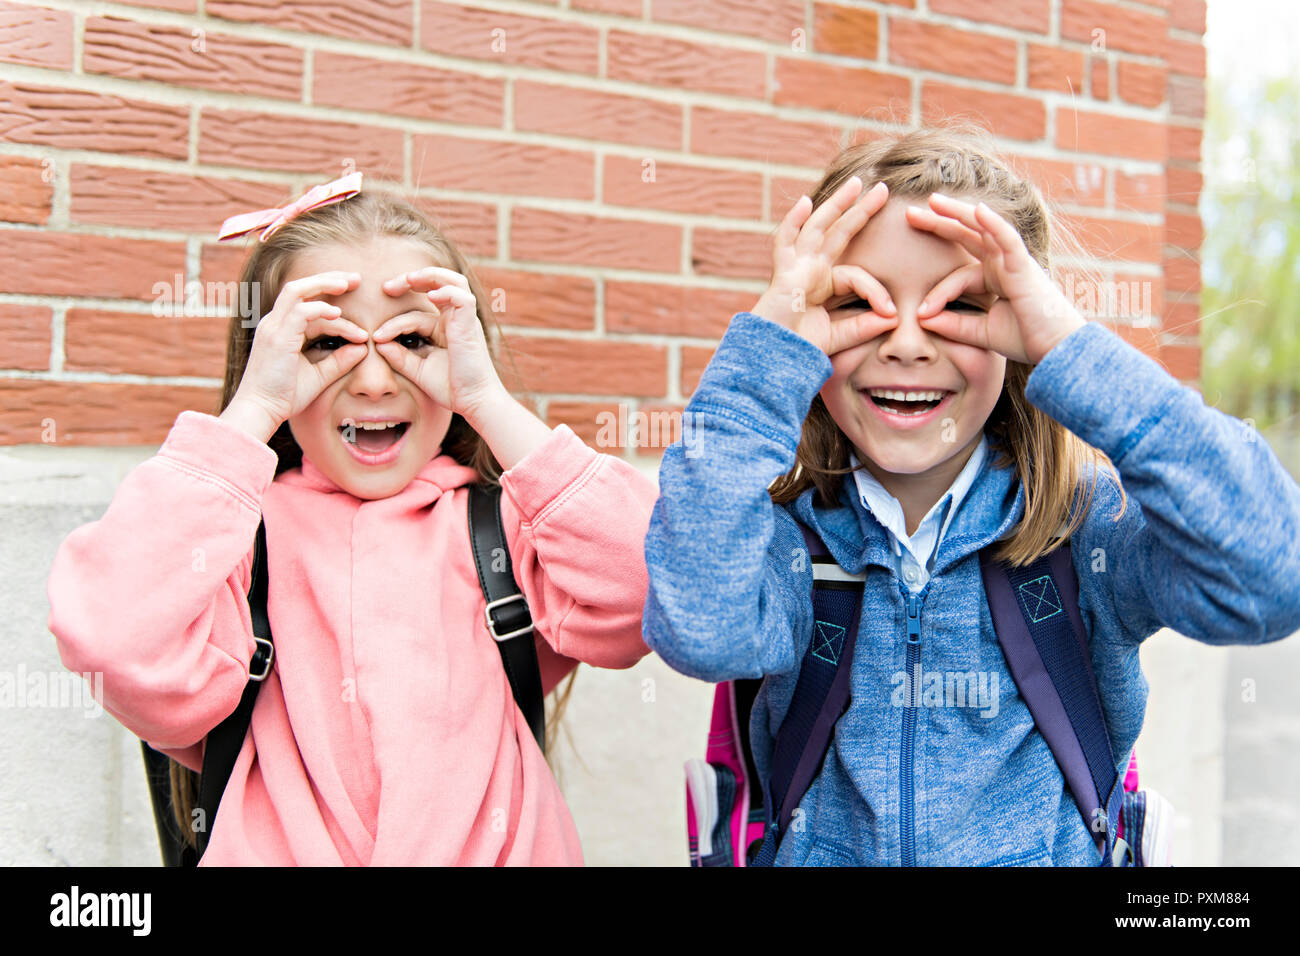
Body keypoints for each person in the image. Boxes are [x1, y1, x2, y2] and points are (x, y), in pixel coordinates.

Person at [642, 127, 1300, 865]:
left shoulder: (1087, 533)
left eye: (959, 305)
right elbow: (700, 629)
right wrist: (765, 354)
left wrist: (1068, 348)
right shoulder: (792, 539)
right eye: (861, 302)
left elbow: (1272, 575)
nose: (907, 343)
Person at [47, 178, 657, 865]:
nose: (373, 380)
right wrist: (251, 413)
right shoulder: (236, 542)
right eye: (324, 342)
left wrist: (488, 403)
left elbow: (651, 589)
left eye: (414, 339)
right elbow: (112, 640)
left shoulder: (505, 526)